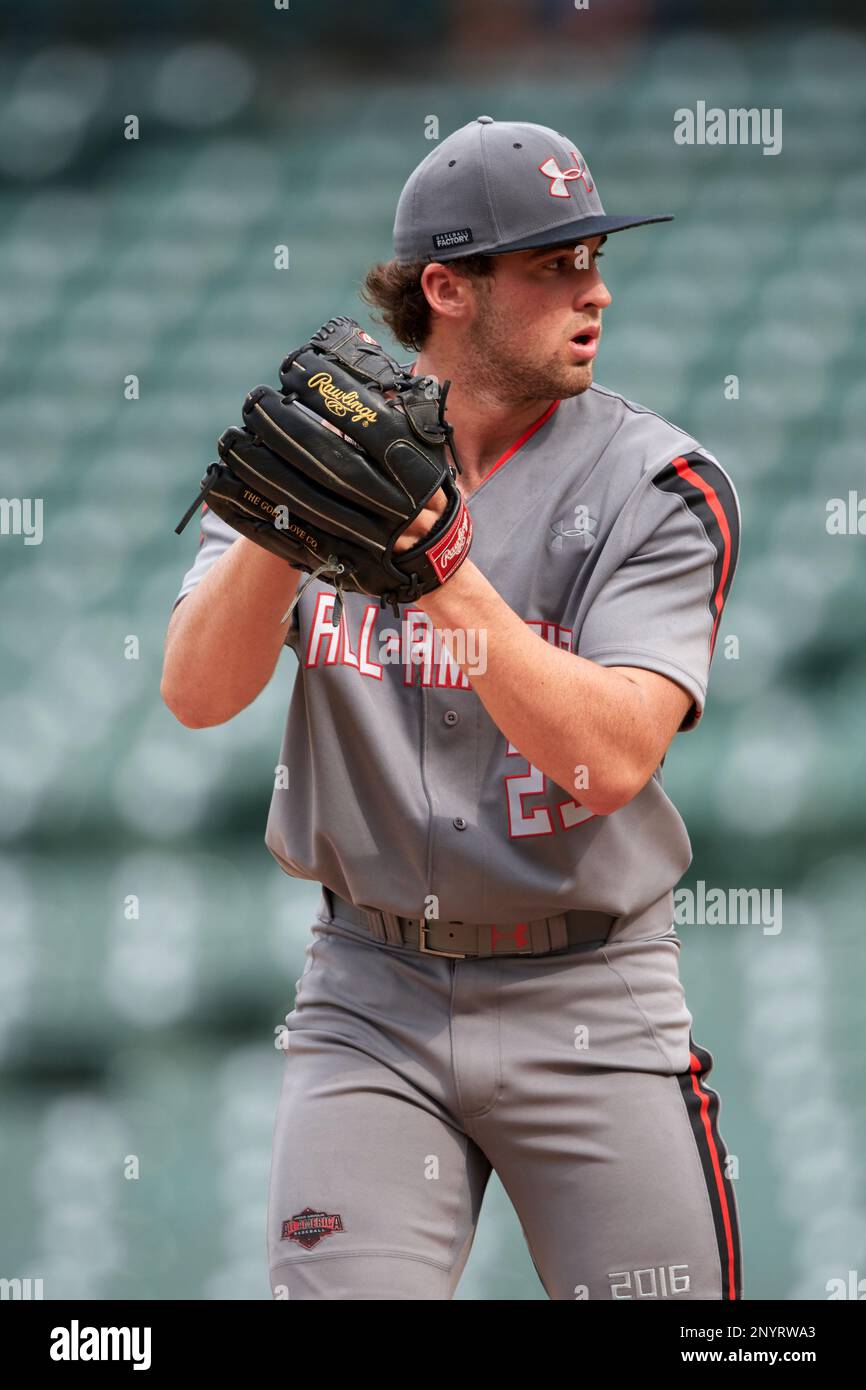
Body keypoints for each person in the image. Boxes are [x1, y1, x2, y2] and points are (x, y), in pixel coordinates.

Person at [161, 117, 743, 1301]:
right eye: (555, 264)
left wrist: (437, 569)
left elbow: (610, 761)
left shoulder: (654, 487)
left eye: (592, 257)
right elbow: (196, 694)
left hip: (590, 998)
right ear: (447, 288)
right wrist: (282, 528)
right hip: (366, 992)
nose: (597, 290)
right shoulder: (313, 449)